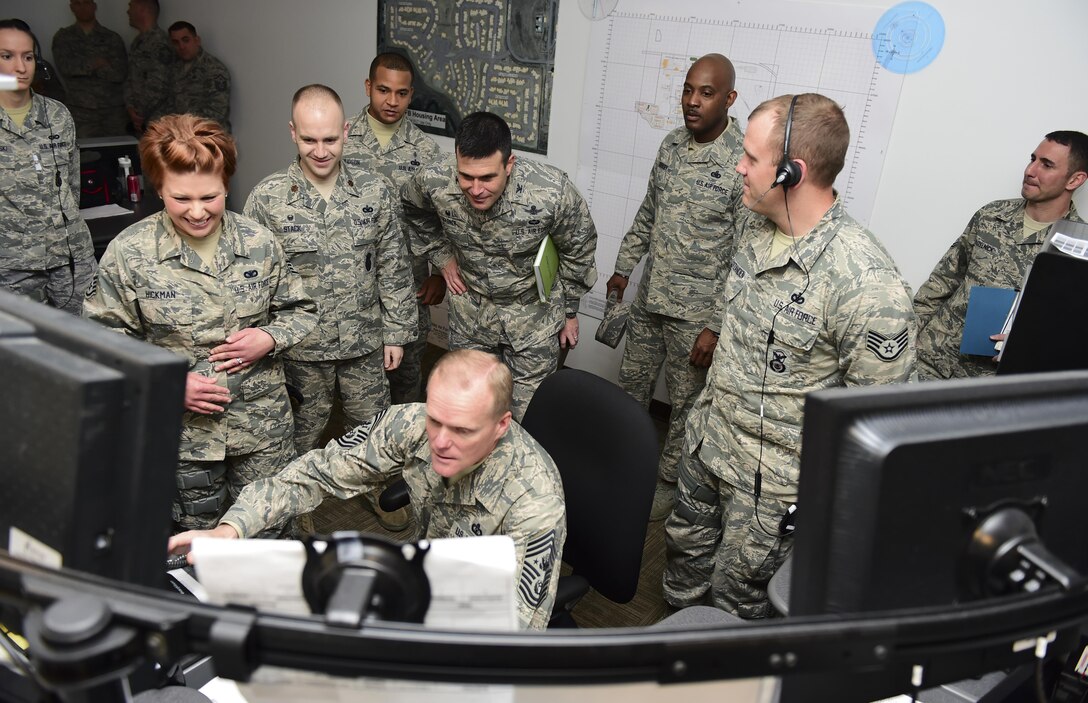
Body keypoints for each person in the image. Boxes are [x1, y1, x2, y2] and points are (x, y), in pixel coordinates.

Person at [662, 94, 917, 618]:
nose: (739, 166)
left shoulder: (865, 282)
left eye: (751, 157)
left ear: (791, 172)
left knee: (737, 606)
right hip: (707, 443)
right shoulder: (756, 227)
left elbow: (878, 423)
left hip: (770, 490)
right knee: (681, 571)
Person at [167, 349, 566, 630]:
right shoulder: (411, 424)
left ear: (501, 425)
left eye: (462, 430)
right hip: (419, 571)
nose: (441, 441)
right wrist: (231, 529)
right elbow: (317, 472)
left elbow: (512, 630)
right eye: (436, 420)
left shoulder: (534, 501)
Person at [84, 114, 317, 534]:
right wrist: (166, 382)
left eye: (209, 197)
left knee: (272, 533)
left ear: (226, 185)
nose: (196, 212)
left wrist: (268, 336)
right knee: (195, 542)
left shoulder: (260, 243)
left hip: (262, 427)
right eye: (181, 198)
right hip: (183, 440)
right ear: (159, 189)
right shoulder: (129, 253)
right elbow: (101, 340)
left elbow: (301, 309)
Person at [243, 84, 417, 529]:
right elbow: (253, 284)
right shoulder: (267, 199)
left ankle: (378, 490)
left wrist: (397, 333)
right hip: (300, 350)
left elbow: (394, 265)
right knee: (300, 433)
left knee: (373, 428)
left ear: (346, 131)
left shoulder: (375, 191)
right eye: (309, 139)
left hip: (364, 341)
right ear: (292, 133)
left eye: (330, 139)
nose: (320, 151)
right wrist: (263, 346)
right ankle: (297, 506)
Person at [605, 53, 745, 522]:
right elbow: (649, 212)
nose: (692, 101)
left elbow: (744, 256)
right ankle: (624, 466)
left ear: (729, 99)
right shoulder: (670, 145)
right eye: (687, 90)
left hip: (696, 316)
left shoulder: (742, 163)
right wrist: (625, 266)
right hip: (650, 300)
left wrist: (716, 326)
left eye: (706, 93)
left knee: (686, 406)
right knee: (631, 387)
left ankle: (666, 484)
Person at [402, 112, 598, 419]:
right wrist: (441, 257)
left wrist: (570, 310)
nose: (476, 189)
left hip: (533, 320)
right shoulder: (434, 179)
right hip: (471, 319)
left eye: (487, 178)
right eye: (466, 176)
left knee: (528, 419)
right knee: (469, 413)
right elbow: (411, 208)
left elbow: (579, 248)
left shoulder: (551, 191)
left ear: (509, 164)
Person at [914, 131, 1088, 380]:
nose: (1030, 170)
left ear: (1075, 180)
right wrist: (904, 338)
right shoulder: (991, 215)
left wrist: (1026, 346)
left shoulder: (1078, 247)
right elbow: (941, 283)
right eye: (1033, 159)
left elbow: (1071, 334)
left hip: (988, 381)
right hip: (929, 358)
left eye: (1047, 165)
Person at [342, 52, 446, 405]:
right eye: (383, 90)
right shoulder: (339, 139)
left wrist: (440, 274)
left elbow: (443, 218)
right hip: (352, 283)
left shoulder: (426, 151)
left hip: (408, 283)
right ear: (368, 86)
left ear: (411, 94)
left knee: (406, 375)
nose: (392, 101)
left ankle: (404, 436)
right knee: (356, 381)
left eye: (401, 93)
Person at [0, 19, 96, 315]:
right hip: (11, 265)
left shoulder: (57, 114)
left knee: (92, 334)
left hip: (71, 257)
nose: (20, 67)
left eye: (28, 57)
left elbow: (72, 184)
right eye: (7, 56)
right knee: (23, 342)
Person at [51, 0, 127, 137]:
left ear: (94, 6)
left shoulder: (112, 38)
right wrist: (96, 63)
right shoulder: (63, 38)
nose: (83, 7)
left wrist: (82, 68)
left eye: (86, 3)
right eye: (78, 3)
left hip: (112, 111)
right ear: (72, 7)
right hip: (80, 111)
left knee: (118, 147)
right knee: (84, 149)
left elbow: (120, 73)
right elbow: (65, 68)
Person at [167, 22, 230, 132]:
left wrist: (183, 127)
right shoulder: (176, 67)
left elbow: (217, 112)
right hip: (181, 134)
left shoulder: (214, 69)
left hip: (208, 136)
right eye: (176, 42)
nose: (181, 46)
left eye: (186, 40)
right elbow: (169, 102)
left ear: (197, 40)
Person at [123, 0, 173, 133]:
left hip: (157, 122)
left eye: (131, 6)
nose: (128, 11)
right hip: (139, 121)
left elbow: (159, 85)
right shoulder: (137, 42)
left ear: (142, 9)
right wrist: (130, 108)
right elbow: (130, 78)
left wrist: (139, 113)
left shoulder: (160, 43)